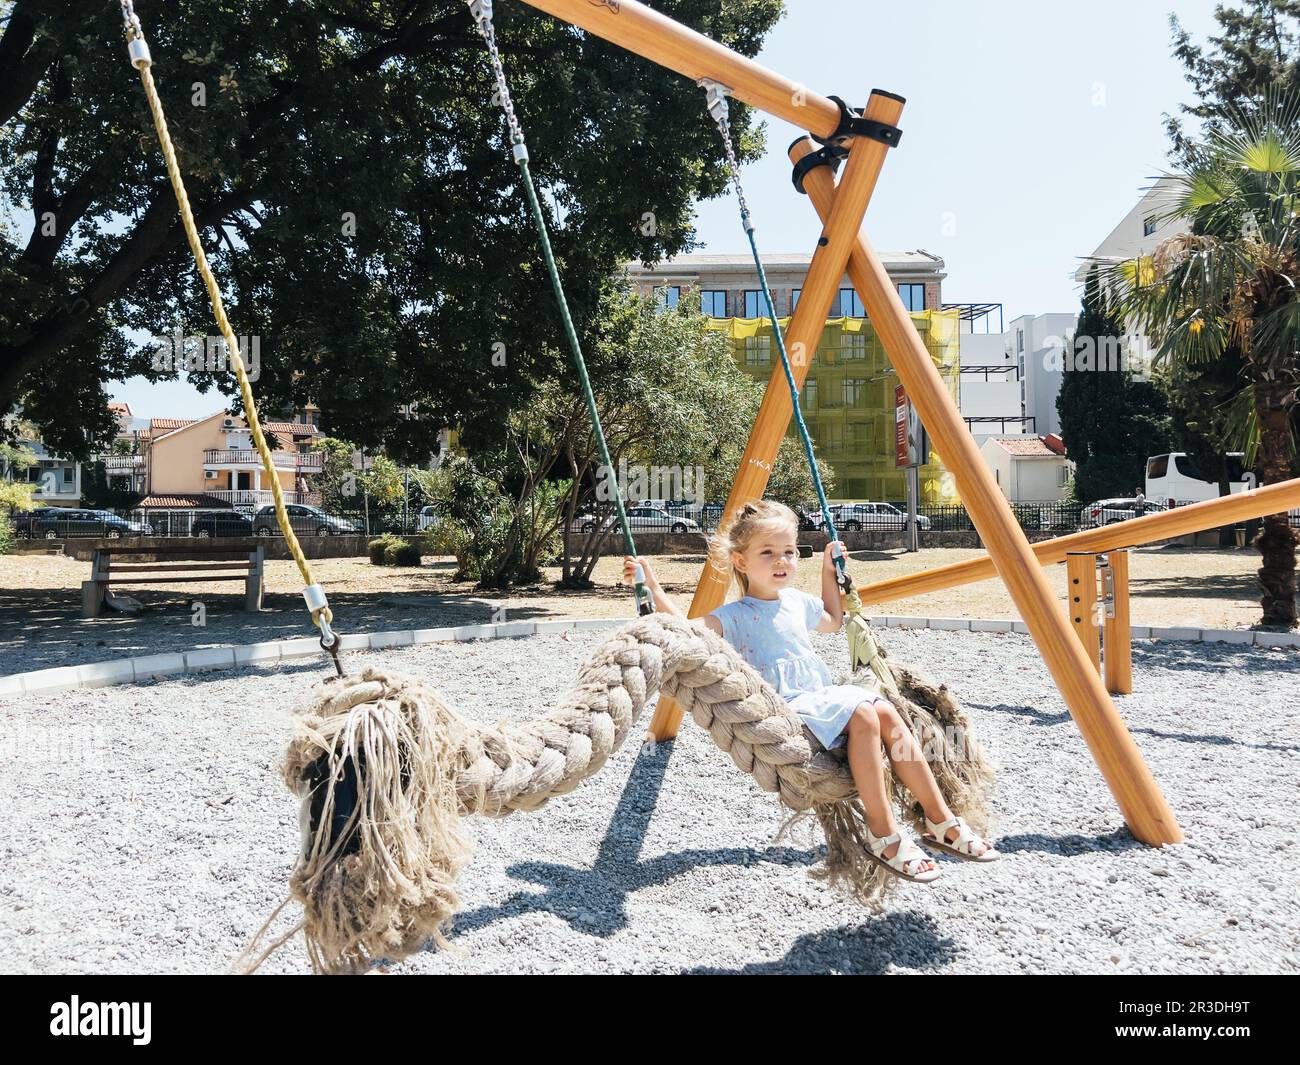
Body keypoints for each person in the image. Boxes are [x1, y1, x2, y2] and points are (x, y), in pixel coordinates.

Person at [623, 499, 997, 883]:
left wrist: (828, 568)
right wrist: (650, 586)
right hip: (786, 710)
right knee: (867, 712)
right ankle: (883, 833)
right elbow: (688, 635)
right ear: (740, 562)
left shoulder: (797, 603)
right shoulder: (733, 616)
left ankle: (940, 822)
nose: (781, 560)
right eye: (767, 552)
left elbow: (834, 620)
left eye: (788, 551)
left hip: (820, 696)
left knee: (887, 712)